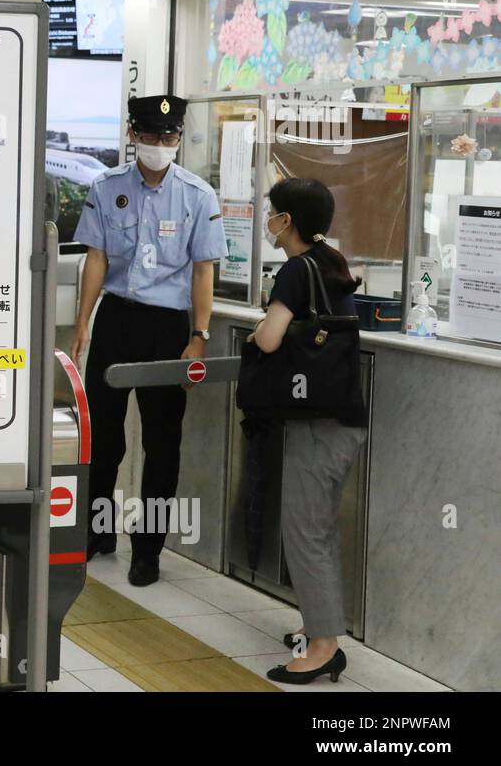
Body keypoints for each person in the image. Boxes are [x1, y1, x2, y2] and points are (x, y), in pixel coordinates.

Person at [71, 95, 228, 586]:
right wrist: (83, 322)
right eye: (151, 136)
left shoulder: (198, 196)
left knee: (163, 443)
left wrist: (198, 335)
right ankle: (98, 532)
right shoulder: (107, 186)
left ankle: (148, 550)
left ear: (178, 138)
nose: (161, 146)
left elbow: (204, 270)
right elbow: (95, 259)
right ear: (133, 134)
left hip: (167, 327)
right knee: (103, 438)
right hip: (116, 321)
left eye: (169, 138)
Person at [249, 177, 367, 686]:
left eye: (273, 212)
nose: (268, 220)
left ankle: (324, 648)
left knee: (305, 531)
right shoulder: (330, 260)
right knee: (314, 527)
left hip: (317, 422)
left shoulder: (297, 270)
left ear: (288, 221)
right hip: (342, 416)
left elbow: (271, 339)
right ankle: (314, 624)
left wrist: (258, 329)